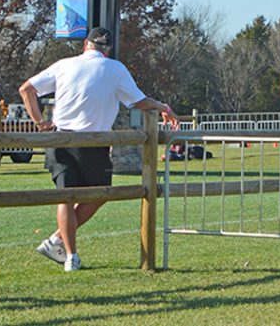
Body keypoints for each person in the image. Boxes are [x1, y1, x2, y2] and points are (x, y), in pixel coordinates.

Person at [19, 27, 179, 272]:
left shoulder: (64, 64)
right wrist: (164, 108)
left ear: (86, 44)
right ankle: (62, 246)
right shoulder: (115, 68)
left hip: (60, 138)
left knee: (66, 196)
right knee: (101, 194)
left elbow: (26, 89)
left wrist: (40, 122)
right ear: (108, 49)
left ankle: (66, 252)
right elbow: (140, 102)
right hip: (95, 141)